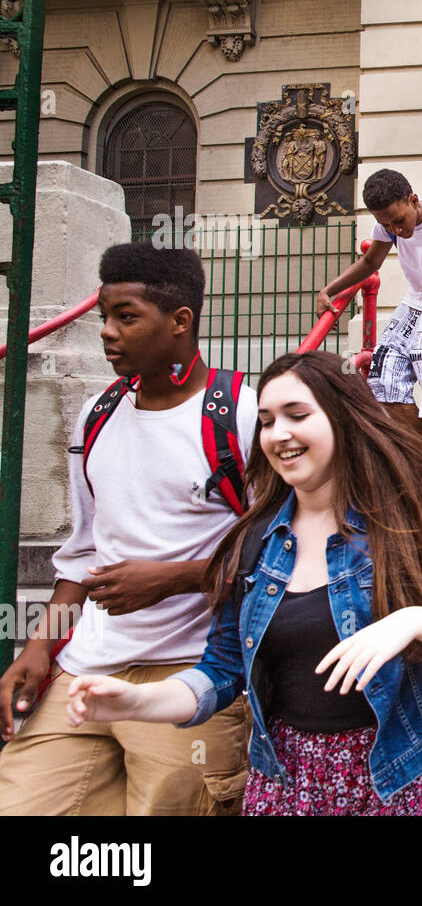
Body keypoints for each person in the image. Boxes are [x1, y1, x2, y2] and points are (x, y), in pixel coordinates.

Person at [65, 350, 422, 816]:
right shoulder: (254, 541)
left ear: (343, 420)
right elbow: (219, 673)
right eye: (266, 421)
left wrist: (414, 622)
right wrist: (138, 700)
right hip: (284, 789)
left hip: (397, 784)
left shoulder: (407, 522)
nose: (278, 434)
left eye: (296, 415)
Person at [0, 242, 254, 815]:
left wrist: (175, 579)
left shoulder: (239, 413)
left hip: (192, 673)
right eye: (104, 318)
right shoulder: (96, 415)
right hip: (85, 669)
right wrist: (38, 648)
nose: (108, 333)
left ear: (181, 321)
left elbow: (287, 553)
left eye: (126, 317)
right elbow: (82, 556)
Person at [316, 168, 422, 492]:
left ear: (412, 199)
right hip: (414, 305)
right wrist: (331, 290)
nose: (395, 230)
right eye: (386, 225)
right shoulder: (387, 222)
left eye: (398, 221)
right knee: (383, 384)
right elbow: (370, 263)